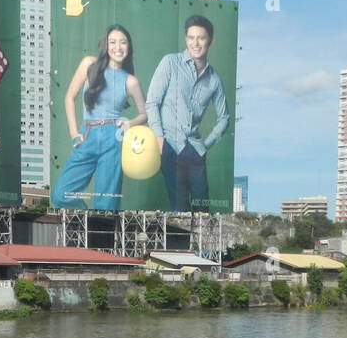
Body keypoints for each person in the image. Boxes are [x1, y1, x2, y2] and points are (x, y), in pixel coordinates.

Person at [51, 25, 148, 211]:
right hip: (86, 135)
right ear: (106, 45)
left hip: (113, 138)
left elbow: (145, 113)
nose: (118, 47)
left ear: (129, 47)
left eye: (123, 42)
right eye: (113, 42)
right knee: (60, 194)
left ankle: (99, 233)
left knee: (106, 205)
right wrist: (73, 133)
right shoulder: (89, 64)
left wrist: (130, 122)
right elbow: (69, 97)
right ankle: (87, 216)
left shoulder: (130, 81)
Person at [144, 15, 229, 212]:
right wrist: (159, 140)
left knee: (202, 208)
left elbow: (224, 118)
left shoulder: (214, 79)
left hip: (195, 151)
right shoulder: (170, 63)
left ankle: (202, 244)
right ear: (186, 39)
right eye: (191, 38)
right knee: (179, 208)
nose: (195, 43)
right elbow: (152, 102)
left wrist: (204, 146)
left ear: (210, 41)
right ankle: (180, 243)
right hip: (170, 147)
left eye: (201, 38)